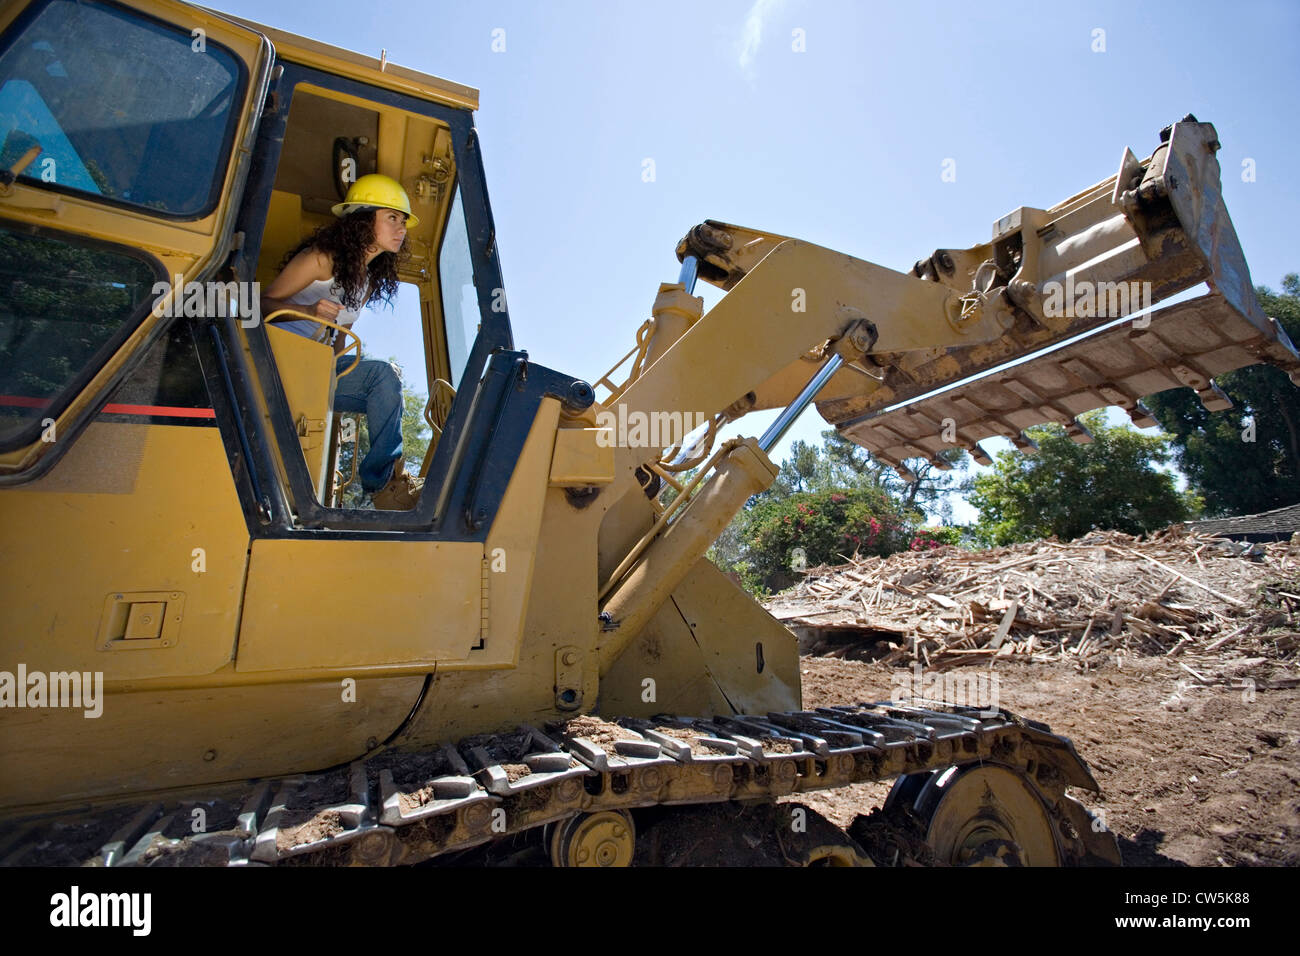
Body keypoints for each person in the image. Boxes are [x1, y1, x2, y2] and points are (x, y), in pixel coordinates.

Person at [260, 173, 423, 510]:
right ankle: (385, 485)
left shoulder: (362, 281)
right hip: (281, 363)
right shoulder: (321, 259)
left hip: (319, 369)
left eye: (403, 221)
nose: (401, 228)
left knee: (385, 376)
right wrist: (307, 310)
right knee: (380, 375)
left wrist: (337, 361)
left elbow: (336, 336)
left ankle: (384, 487)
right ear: (364, 220)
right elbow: (260, 303)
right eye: (392, 217)